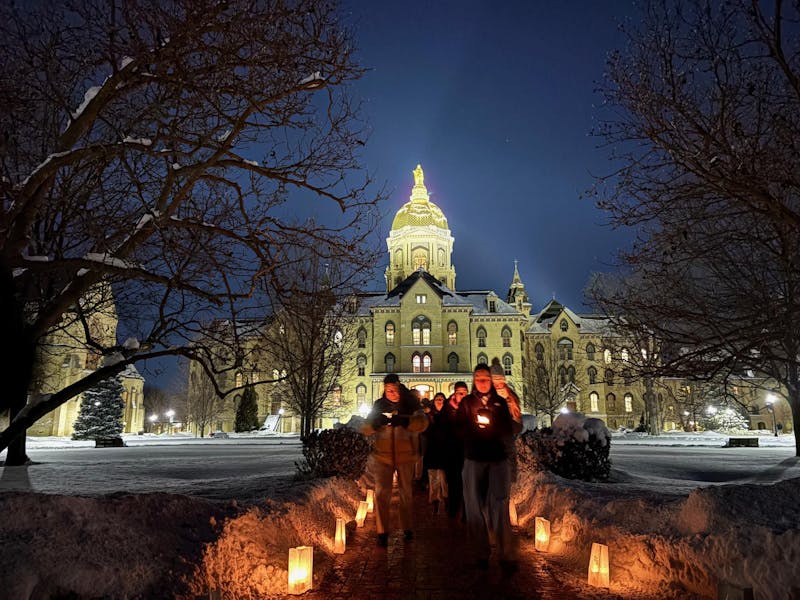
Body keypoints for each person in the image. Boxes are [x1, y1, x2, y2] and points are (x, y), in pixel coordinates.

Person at [448, 363, 522, 575]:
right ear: (474, 380)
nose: (482, 382)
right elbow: (459, 429)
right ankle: (481, 553)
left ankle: (506, 553)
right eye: (478, 378)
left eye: (486, 379)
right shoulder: (468, 403)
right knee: (474, 508)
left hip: (496, 459)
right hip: (474, 458)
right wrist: (474, 428)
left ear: (490, 381)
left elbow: (509, 427)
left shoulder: (499, 403)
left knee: (500, 505)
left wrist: (491, 428)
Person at [361, 374, 428, 547]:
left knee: (406, 494)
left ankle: (407, 527)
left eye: (394, 389)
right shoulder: (378, 405)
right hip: (383, 456)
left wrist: (405, 422)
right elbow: (366, 428)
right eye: (387, 390)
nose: (390, 393)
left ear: (399, 387)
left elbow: (422, 423)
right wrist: (375, 423)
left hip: (406, 455)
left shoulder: (410, 404)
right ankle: (382, 531)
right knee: (382, 493)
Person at [490, 358, 522, 482]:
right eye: (495, 382)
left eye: (500, 381)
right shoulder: (488, 399)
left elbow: (518, 425)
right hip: (490, 445)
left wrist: (507, 424)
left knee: (506, 479)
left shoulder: (511, 399)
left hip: (506, 444)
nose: (498, 385)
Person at [443, 381, 468, 521]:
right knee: (453, 482)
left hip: (467, 452)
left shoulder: (471, 407)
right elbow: (442, 428)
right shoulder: (448, 409)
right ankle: (453, 510)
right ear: (455, 394)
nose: (462, 396)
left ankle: (465, 511)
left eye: (465, 393)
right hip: (451, 452)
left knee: (466, 482)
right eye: (460, 393)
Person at [423, 392, 449, 514]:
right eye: (437, 399)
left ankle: (446, 498)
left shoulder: (447, 414)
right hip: (432, 449)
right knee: (433, 477)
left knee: (444, 477)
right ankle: (434, 501)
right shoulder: (429, 414)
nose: (439, 401)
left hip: (445, 449)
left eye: (442, 399)